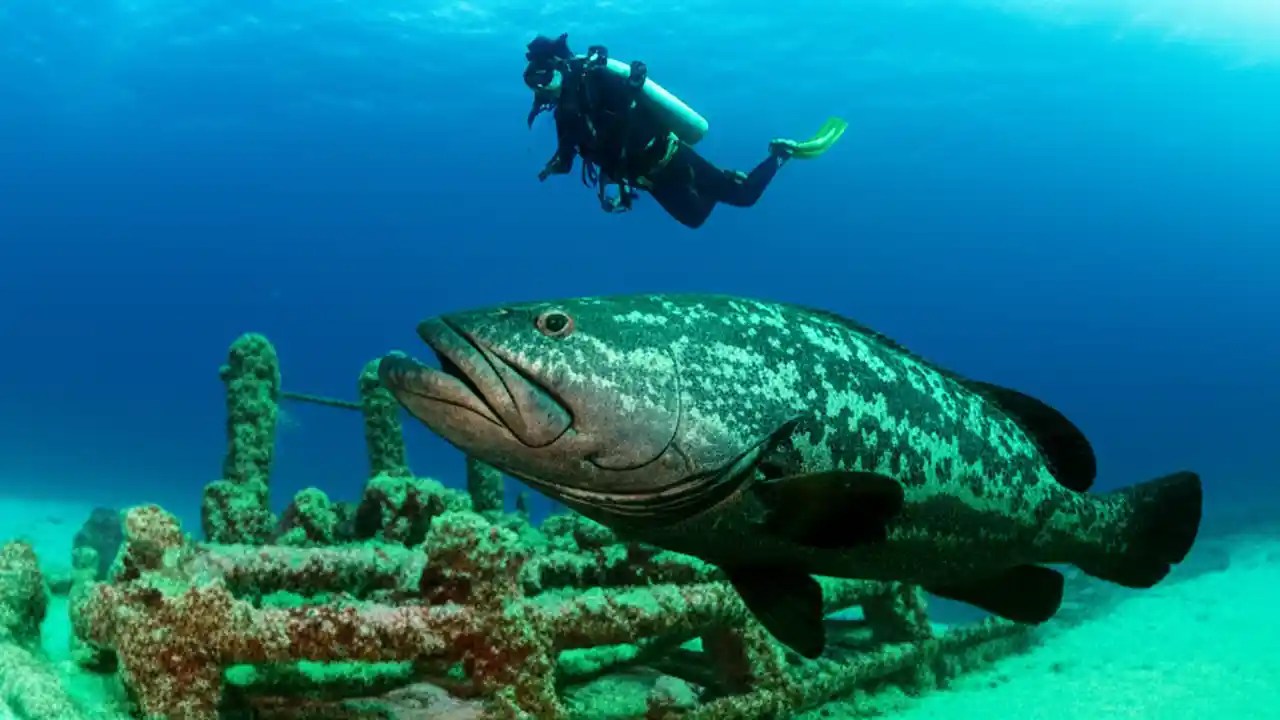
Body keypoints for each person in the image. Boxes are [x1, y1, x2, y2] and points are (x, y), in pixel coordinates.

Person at [523, 33, 847, 229]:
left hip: (670, 158)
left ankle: (780, 154)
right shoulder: (569, 114)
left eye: (542, 79)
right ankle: (720, 178)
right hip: (646, 179)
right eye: (534, 83)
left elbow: (625, 116)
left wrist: (633, 89)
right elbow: (579, 153)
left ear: (555, 68)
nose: (540, 89)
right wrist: (560, 167)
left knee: (744, 197)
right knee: (695, 219)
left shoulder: (593, 81)